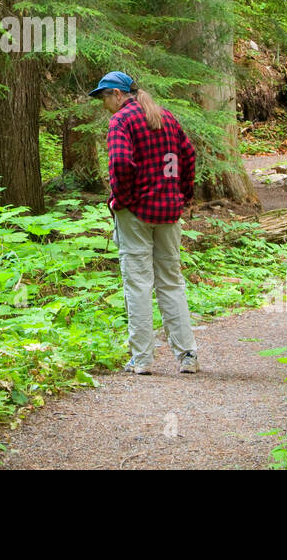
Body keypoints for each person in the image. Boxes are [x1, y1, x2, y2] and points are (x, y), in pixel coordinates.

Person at [88, 71, 199, 375]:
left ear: (118, 94)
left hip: (135, 213)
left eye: (104, 97)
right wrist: (182, 195)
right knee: (171, 281)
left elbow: (121, 163)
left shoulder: (122, 121)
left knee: (137, 284)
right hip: (169, 212)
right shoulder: (166, 117)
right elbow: (189, 156)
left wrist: (120, 200)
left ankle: (142, 359)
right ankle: (187, 354)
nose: (103, 104)